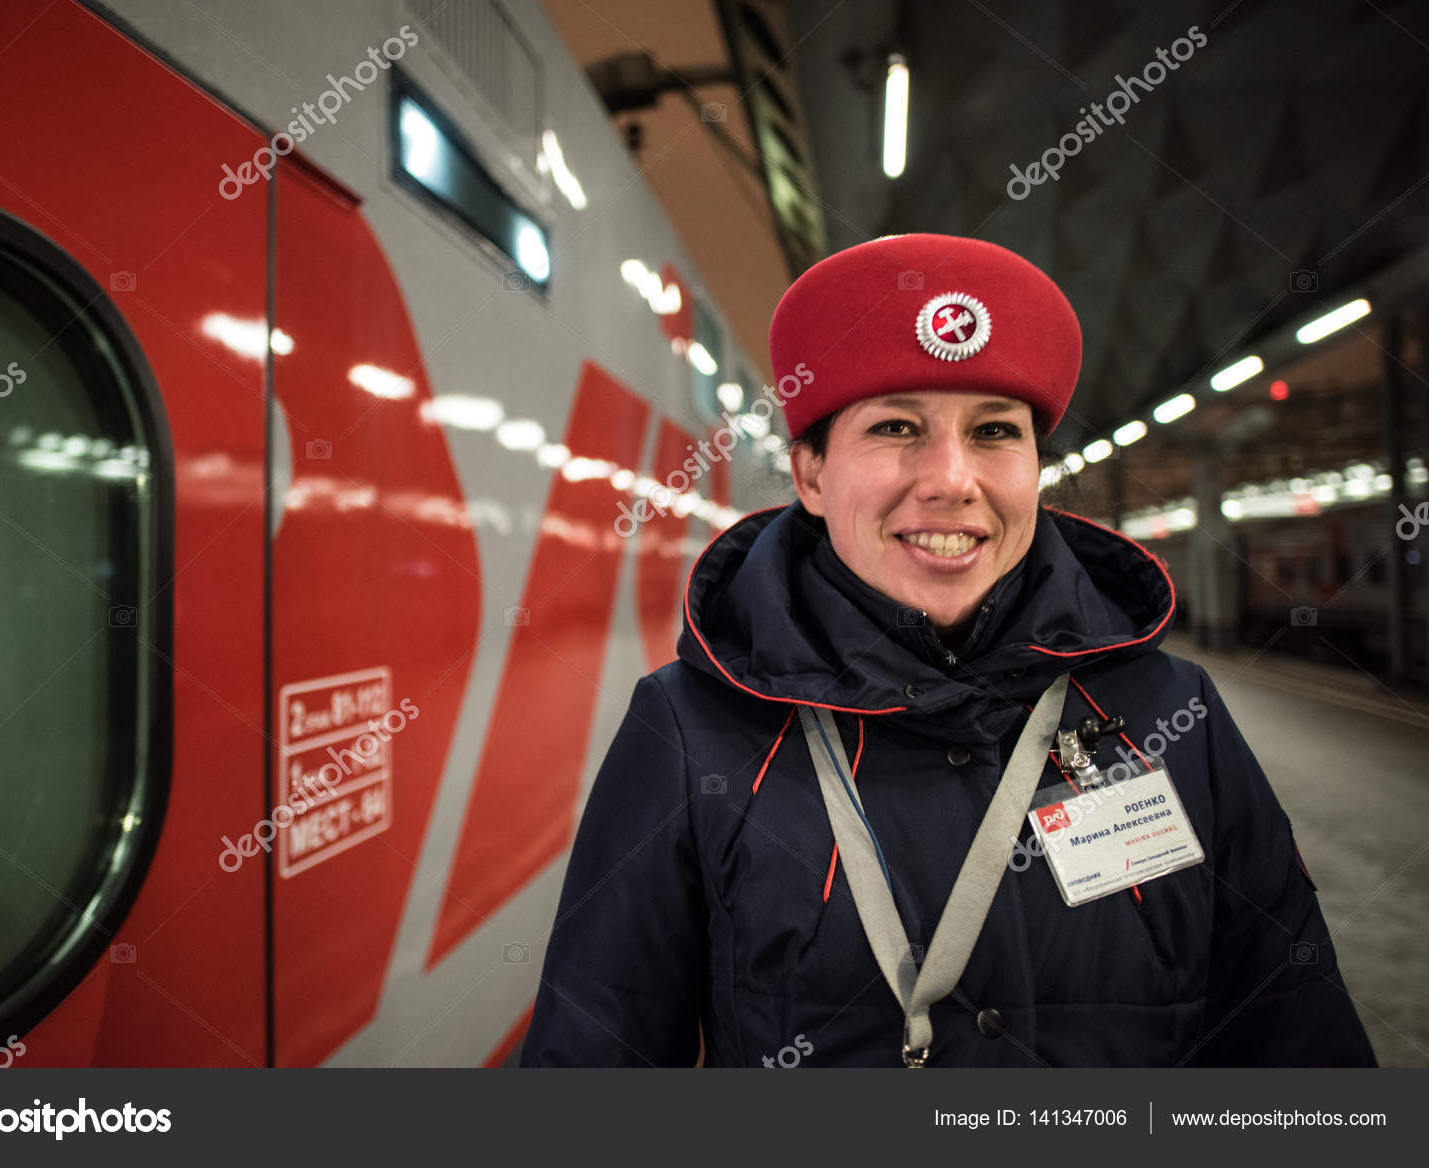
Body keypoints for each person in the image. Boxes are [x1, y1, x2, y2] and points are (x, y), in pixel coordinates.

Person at [520, 233, 1376, 1068]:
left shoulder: (1174, 714)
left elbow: (1297, 1039)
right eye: (897, 426)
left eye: (995, 432)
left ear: (1036, 466)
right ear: (811, 474)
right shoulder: (690, 732)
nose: (952, 480)